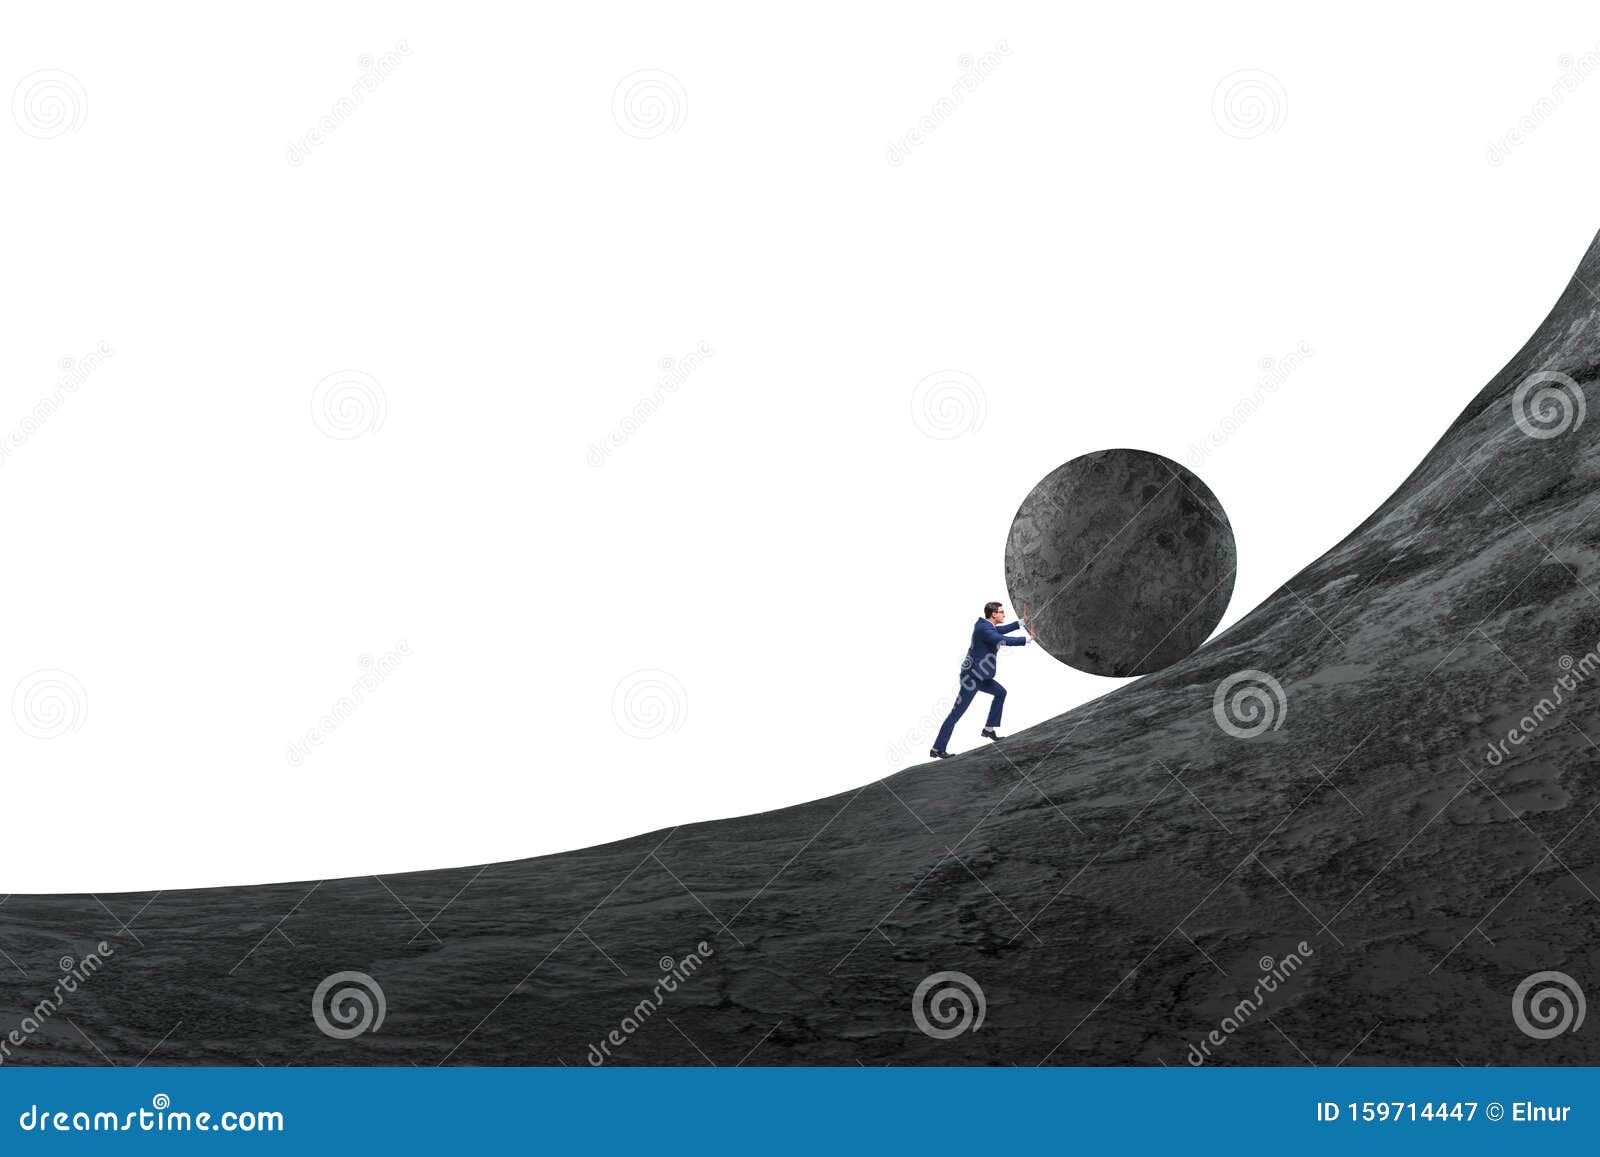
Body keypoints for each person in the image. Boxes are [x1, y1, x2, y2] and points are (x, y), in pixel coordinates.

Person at [930, 601, 1035, 759]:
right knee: (956, 713)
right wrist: (1026, 640)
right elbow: (1001, 638)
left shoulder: (987, 626)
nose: (1004, 614)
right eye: (1001, 612)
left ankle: (988, 729)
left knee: (1000, 693)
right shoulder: (984, 629)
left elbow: (1000, 629)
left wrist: (1021, 622)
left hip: (981, 675)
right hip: (971, 678)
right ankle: (937, 748)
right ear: (993, 614)